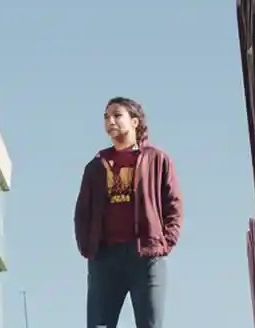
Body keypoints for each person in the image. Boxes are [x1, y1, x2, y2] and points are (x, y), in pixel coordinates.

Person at [74, 97, 183, 328]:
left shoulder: (157, 159)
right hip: (104, 258)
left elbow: (173, 203)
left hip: (146, 256)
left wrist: (165, 242)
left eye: (117, 115)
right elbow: (82, 211)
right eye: (106, 117)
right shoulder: (95, 166)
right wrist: (87, 247)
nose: (110, 121)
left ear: (135, 122)